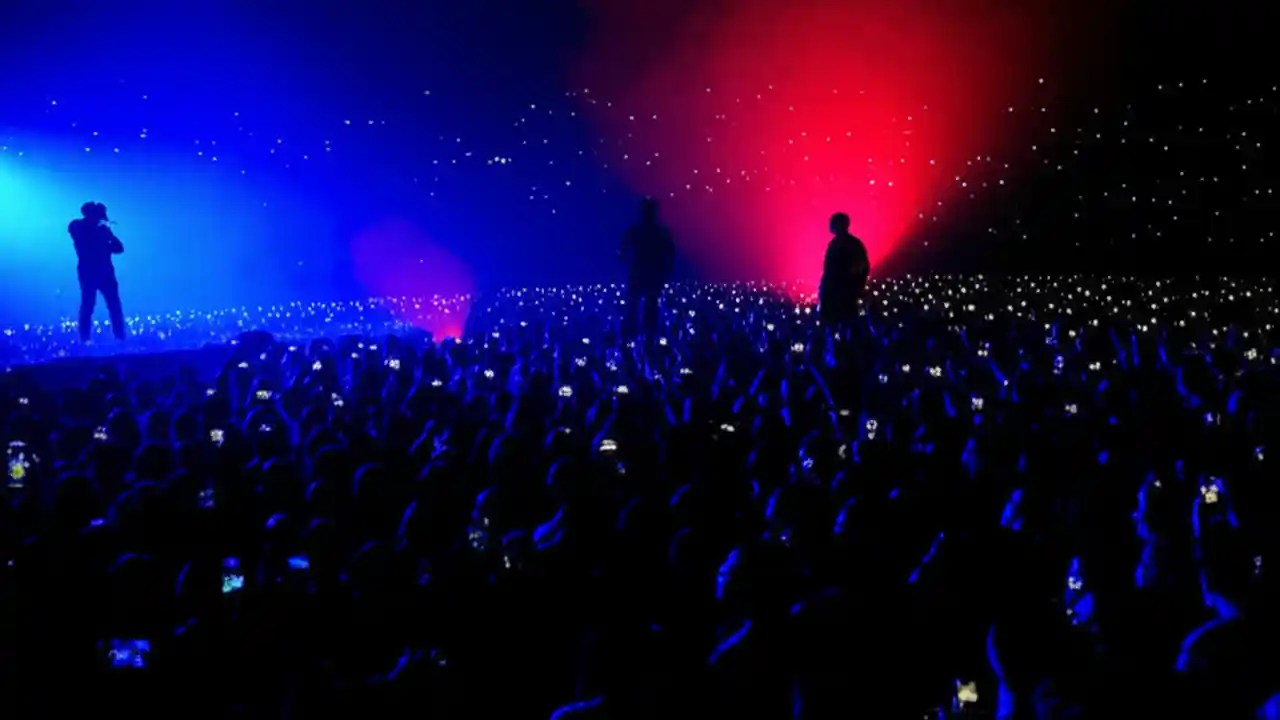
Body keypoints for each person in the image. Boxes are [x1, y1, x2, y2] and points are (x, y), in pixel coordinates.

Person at [69, 202, 126, 343]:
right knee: (88, 305)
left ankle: (119, 338)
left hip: (105, 273)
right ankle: (85, 340)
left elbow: (119, 248)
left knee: (114, 306)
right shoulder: (77, 226)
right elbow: (84, 241)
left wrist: (109, 236)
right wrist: (104, 235)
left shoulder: (102, 231)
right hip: (90, 272)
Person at [619, 198, 675, 338]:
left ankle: (636, 335)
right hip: (653, 273)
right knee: (649, 304)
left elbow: (622, 253)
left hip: (641, 272)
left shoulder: (635, 231)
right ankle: (648, 335)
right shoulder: (660, 231)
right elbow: (670, 252)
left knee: (637, 304)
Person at [818, 212, 869, 329]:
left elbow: (861, 267)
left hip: (842, 293)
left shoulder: (848, 244)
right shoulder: (846, 243)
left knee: (842, 325)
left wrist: (852, 284)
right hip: (839, 292)